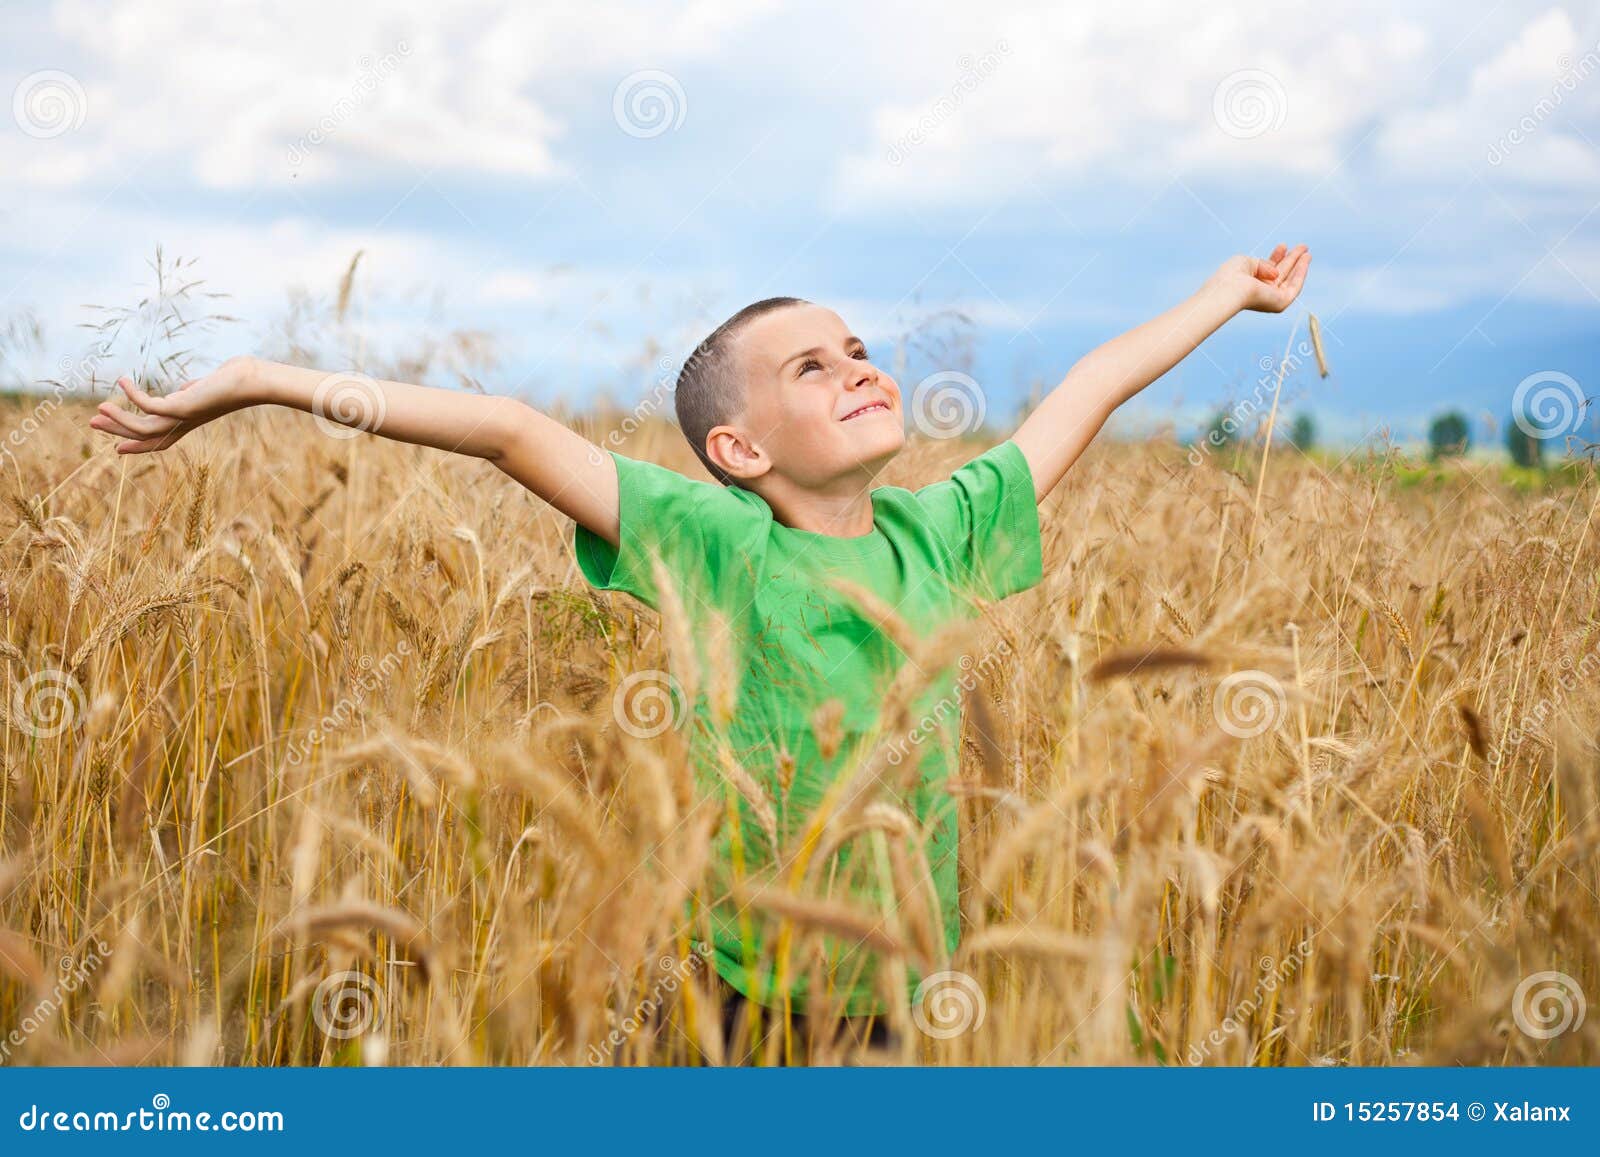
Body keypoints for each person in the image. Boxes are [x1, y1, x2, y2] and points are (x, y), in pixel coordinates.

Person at [89, 244, 1312, 1046]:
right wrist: (251, 377)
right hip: (739, 987)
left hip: (903, 990)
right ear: (739, 450)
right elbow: (509, 429)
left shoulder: (940, 534)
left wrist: (1226, 295)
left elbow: (1089, 387)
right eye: (810, 365)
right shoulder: (714, 539)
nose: (857, 369)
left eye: (860, 349)